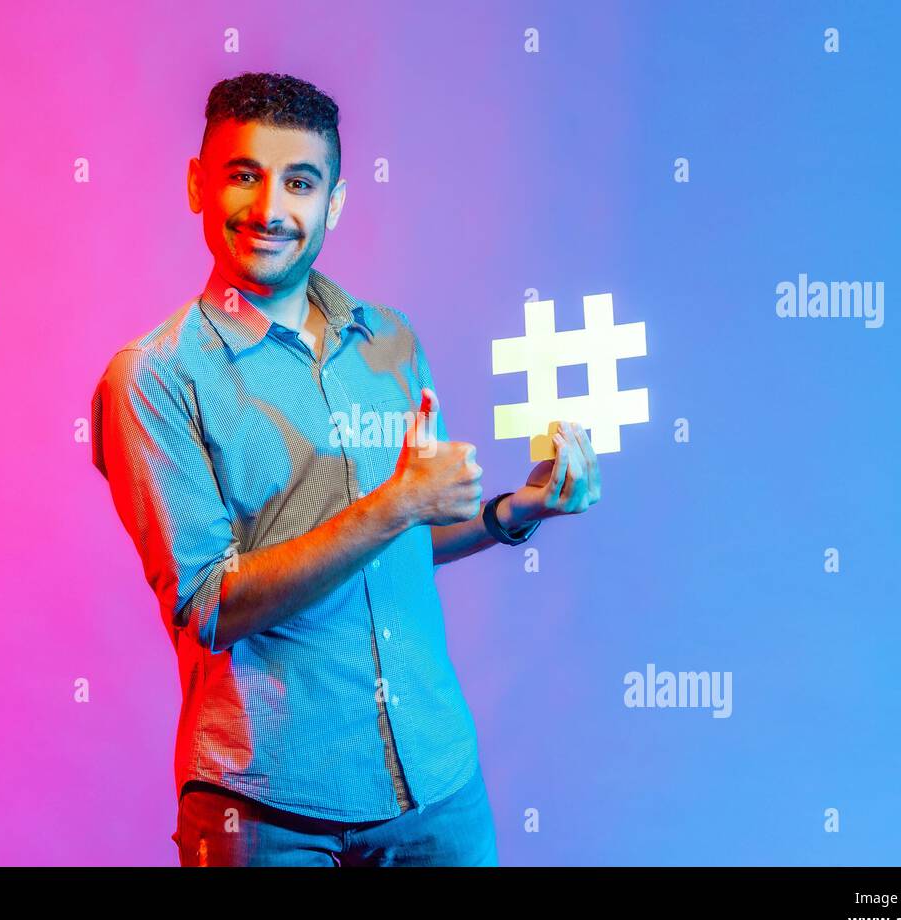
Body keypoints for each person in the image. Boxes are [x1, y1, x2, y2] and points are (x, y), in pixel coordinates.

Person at [90, 71, 601, 866]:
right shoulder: (154, 379)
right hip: (269, 810)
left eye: (300, 182)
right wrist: (397, 503)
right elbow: (210, 605)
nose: (270, 208)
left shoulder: (390, 341)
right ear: (197, 184)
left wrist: (513, 511)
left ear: (333, 202)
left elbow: (405, 540)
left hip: (436, 784)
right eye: (244, 175)